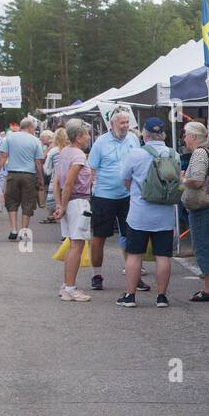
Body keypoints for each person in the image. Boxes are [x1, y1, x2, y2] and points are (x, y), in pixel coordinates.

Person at [116, 117, 178, 308]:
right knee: (163, 256)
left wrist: (136, 191)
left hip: (140, 213)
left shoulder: (136, 154)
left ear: (145, 133)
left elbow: (124, 179)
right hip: (165, 214)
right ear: (163, 134)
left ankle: (130, 296)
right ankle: (161, 297)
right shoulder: (173, 154)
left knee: (134, 254)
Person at [86, 107, 141, 292]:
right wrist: (89, 194)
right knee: (99, 237)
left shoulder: (133, 139)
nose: (125, 126)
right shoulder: (100, 143)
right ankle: (97, 275)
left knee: (130, 236)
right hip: (104, 196)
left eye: (127, 122)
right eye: (122, 123)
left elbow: (140, 163)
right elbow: (91, 170)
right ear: (112, 124)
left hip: (127, 196)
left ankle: (134, 275)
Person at [50, 119, 95, 302]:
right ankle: (70, 287)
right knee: (77, 244)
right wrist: (63, 205)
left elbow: (56, 182)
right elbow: (68, 183)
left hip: (69, 202)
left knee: (73, 244)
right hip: (77, 202)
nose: (89, 137)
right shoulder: (78, 155)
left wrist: (60, 204)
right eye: (86, 134)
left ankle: (67, 284)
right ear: (78, 137)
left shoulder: (63, 153)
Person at [181, 122, 209, 302]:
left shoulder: (199, 153)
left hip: (204, 206)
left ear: (193, 137)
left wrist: (183, 179)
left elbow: (198, 181)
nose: (184, 138)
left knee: (203, 246)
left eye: (185, 134)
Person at [0, 115, 45, 240]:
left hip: (13, 174)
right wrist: (41, 178)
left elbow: (3, 156)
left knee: (11, 202)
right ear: (29, 127)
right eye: (34, 128)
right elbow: (38, 162)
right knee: (27, 203)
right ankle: (24, 231)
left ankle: (13, 230)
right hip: (29, 175)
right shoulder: (35, 140)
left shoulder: (10, 138)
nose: (34, 130)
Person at [41, 128, 63, 223]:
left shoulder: (53, 151)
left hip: (56, 178)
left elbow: (47, 170)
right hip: (70, 178)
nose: (41, 139)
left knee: (55, 196)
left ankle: (53, 215)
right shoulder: (72, 149)